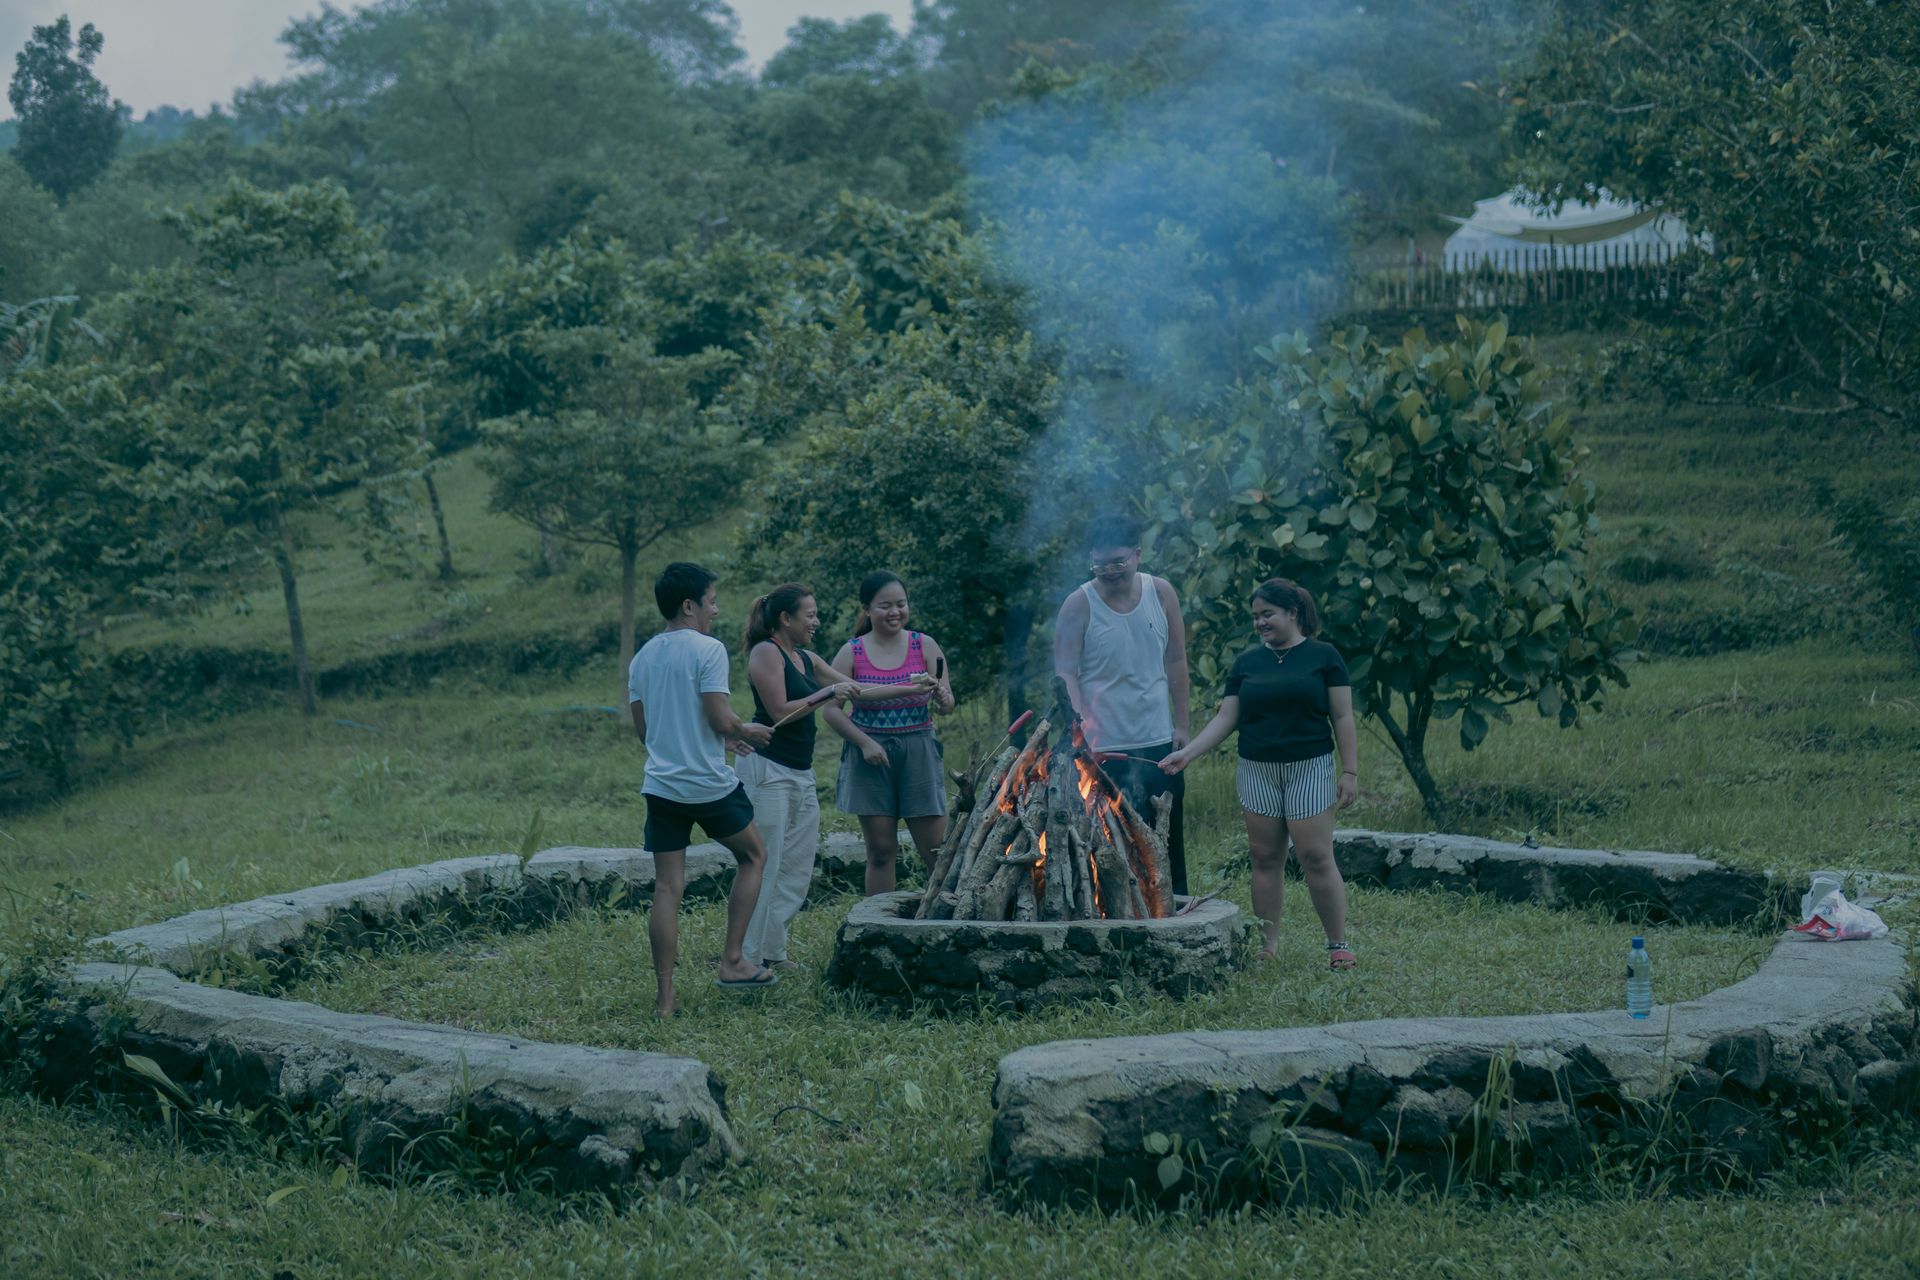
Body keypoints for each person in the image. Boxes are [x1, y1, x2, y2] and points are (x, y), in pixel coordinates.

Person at [1160, 578, 1360, 970]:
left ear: (1293, 613)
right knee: (1264, 856)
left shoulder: (1325, 656)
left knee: (1316, 856)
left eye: (1267, 614)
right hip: (1257, 769)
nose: (1260, 623)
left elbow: (1343, 716)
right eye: (1255, 616)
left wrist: (1350, 770)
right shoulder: (1247, 662)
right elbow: (1226, 717)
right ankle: (1267, 947)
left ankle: (1338, 944)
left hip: (1310, 766)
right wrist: (1189, 753)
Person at [628, 562, 777, 1017]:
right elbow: (718, 716)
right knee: (753, 856)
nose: (716, 609)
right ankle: (732, 961)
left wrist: (721, 735)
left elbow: (646, 731)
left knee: (667, 888)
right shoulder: (708, 649)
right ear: (689, 605)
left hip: (662, 785)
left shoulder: (643, 657)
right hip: (708, 785)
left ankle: (665, 999)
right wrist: (744, 730)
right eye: (711, 601)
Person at [737, 582, 880, 972]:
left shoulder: (804, 656)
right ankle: (746, 959)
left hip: (799, 772)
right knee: (765, 864)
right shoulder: (766, 652)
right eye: (810, 614)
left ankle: (773, 952)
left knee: (796, 869)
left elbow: (858, 689)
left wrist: (916, 687)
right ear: (786, 618)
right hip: (767, 769)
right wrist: (826, 693)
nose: (816, 621)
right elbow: (780, 709)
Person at [1052, 514, 1192, 895]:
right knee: (1110, 845)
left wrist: (1182, 725)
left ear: (1137, 555)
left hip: (1158, 740)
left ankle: (1171, 911)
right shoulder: (1078, 604)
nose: (1110, 572)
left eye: (1119, 563)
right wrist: (1079, 728)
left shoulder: (1161, 593)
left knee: (1164, 839)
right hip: (1103, 746)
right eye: (1100, 564)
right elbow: (1065, 672)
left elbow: (1176, 660)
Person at [829, 571, 956, 895]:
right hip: (870, 756)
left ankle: (946, 918)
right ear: (867, 609)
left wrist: (942, 698)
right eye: (885, 605)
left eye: (901, 604)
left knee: (937, 851)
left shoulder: (924, 645)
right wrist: (864, 742)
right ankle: (878, 924)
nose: (894, 612)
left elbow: (947, 703)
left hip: (919, 753)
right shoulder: (852, 652)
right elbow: (830, 710)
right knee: (881, 851)